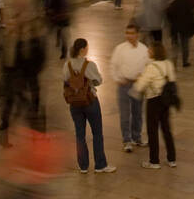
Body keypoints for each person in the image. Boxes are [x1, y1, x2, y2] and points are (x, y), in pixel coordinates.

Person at [62, 39, 115, 174]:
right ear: (82, 50)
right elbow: (98, 80)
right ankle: (100, 165)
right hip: (90, 101)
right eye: (87, 47)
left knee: (80, 135)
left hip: (74, 103)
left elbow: (65, 80)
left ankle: (83, 166)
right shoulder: (89, 65)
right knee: (97, 133)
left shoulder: (66, 65)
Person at [131, 41, 176, 169]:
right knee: (166, 129)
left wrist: (137, 83)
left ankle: (154, 161)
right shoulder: (169, 64)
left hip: (154, 101)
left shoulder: (151, 67)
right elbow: (172, 80)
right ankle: (172, 159)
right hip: (166, 100)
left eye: (149, 50)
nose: (148, 51)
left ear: (154, 52)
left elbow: (140, 85)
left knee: (152, 130)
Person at [109, 24, 147, 153]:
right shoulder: (120, 49)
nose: (129, 36)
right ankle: (126, 140)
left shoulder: (143, 49)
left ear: (137, 34)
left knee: (137, 113)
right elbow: (113, 65)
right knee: (125, 114)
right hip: (124, 85)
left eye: (131, 33)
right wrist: (118, 79)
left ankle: (137, 137)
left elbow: (148, 66)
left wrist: (142, 76)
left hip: (138, 85)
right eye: (127, 33)